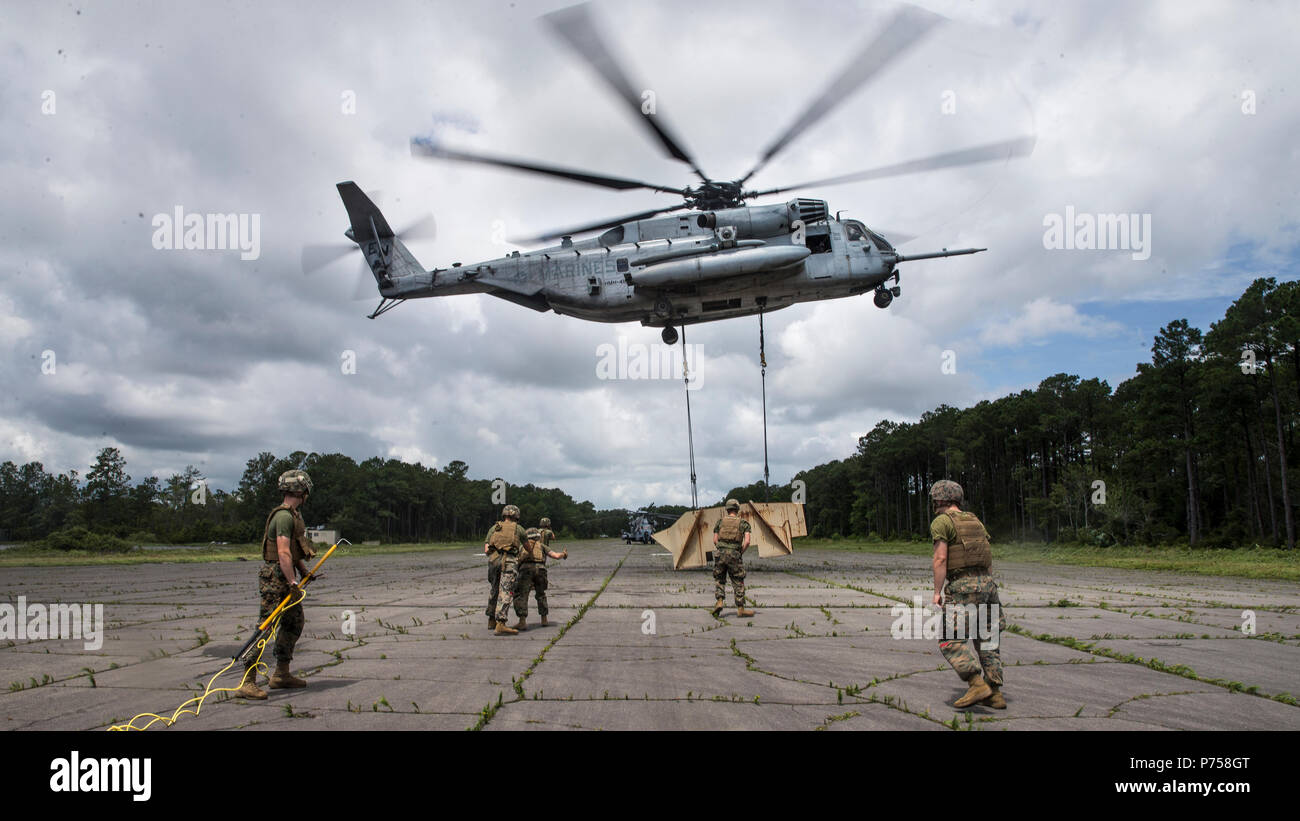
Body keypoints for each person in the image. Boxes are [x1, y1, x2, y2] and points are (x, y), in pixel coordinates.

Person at [236, 469, 317, 699]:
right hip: (276, 578)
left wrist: (303, 572)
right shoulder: (283, 516)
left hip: (287, 575)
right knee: (266, 627)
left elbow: (294, 551)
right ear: (300, 490)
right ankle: (247, 681)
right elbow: (282, 552)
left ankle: (281, 674)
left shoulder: (294, 515)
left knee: (294, 622)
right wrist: (292, 580)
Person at [929, 479, 1006, 709]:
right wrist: (987, 583)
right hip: (987, 584)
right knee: (987, 639)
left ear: (940, 498)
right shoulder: (975, 520)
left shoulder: (942, 522)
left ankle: (975, 682)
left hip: (963, 586)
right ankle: (995, 692)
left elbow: (941, 558)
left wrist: (937, 591)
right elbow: (987, 557)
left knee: (949, 639)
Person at [513, 524, 567, 630]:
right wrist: (564, 554)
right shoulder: (542, 546)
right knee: (541, 594)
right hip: (541, 569)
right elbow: (555, 556)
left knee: (522, 595)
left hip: (526, 570)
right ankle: (544, 619)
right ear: (537, 536)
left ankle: (522, 621)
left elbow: (517, 560)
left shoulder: (522, 547)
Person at [485, 505, 525, 635]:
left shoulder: (494, 528)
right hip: (509, 562)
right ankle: (501, 624)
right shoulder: (518, 529)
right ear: (516, 516)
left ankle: (491, 620)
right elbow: (527, 547)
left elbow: (486, 549)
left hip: (494, 561)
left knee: (494, 589)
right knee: (506, 591)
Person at [711, 499, 754, 617]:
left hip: (720, 554)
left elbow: (715, 540)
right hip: (735, 554)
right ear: (737, 509)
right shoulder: (743, 523)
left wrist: (721, 549)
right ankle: (740, 608)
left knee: (720, 579)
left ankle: (719, 601)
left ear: (727, 509)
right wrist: (740, 552)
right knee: (738, 580)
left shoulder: (720, 522)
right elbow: (747, 542)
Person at [531, 517, 566, 627]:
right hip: (543, 552)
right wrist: (550, 529)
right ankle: (544, 618)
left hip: (533, 552)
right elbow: (554, 538)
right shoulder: (548, 532)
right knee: (541, 571)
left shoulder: (536, 531)